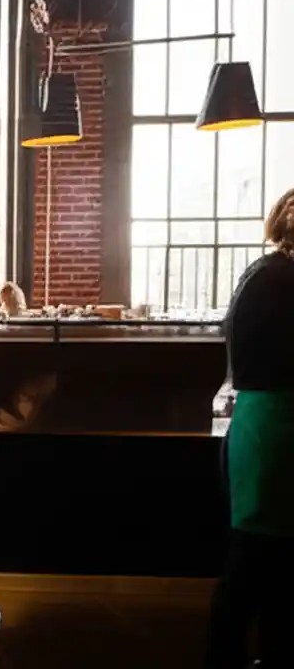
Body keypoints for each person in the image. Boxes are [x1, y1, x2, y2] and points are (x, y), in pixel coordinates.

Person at [206, 187, 294, 669]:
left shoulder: (267, 272)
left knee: (264, 560)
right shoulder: (279, 278)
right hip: (277, 429)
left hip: (263, 426)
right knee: (259, 562)